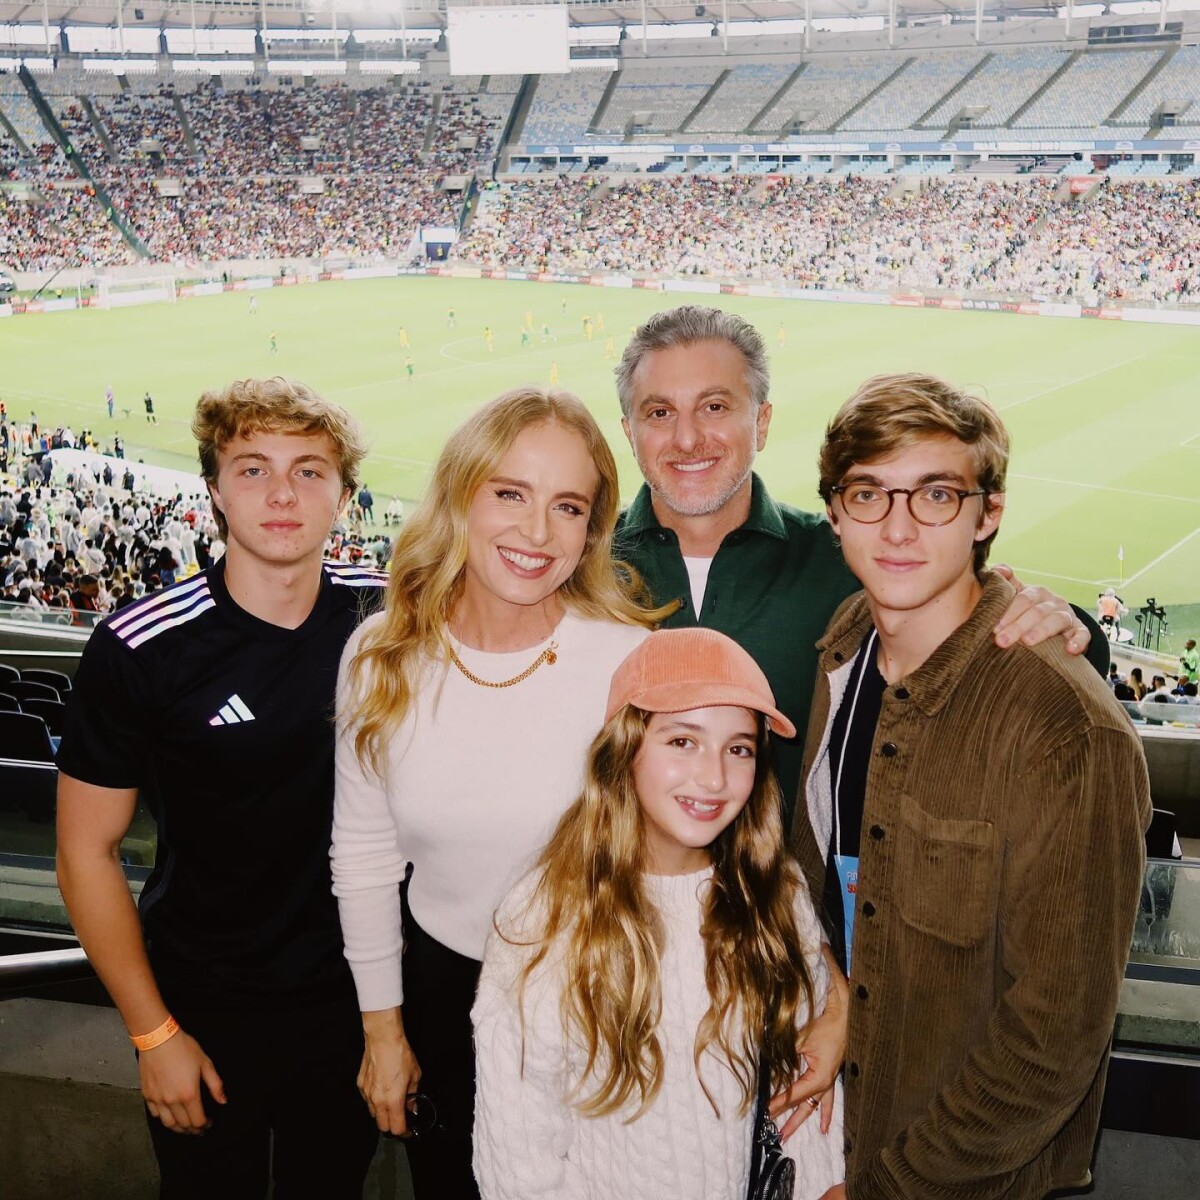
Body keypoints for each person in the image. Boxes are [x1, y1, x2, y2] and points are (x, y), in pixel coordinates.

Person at [611, 305, 1104, 1134]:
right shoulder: (577, 574)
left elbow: (967, 613)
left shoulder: (849, 558)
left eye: (717, 406)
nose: (688, 437)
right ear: (630, 430)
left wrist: (1062, 621)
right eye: (660, 411)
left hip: (807, 972)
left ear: (762, 421)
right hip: (626, 960)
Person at [790, 372, 1150, 1199]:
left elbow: (1056, 1033)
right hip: (837, 1131)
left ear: (988, 514)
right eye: (870, 494)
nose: (901, 528)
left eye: (937, 495)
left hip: (958, 1178)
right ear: (835, 512)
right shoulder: (842, 652)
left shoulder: (1064, 729)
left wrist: (896, 1186)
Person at [331, 387, 667, 1200]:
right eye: (510, 494)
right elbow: (366, 856)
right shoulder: (382, 655)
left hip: (600, 1002)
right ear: (460, 495)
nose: (536, 532)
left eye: (568, 506)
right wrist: (384, 1030)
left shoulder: (630, 664)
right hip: (442, 998)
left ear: (592, 529)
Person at [55, 378, 384, 1199]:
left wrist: (392, 1021)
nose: (282, 493)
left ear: (344, 494)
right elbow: (84, 851)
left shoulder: (384, 630)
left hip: (354, 1008)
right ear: (213, 489)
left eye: (310, 471)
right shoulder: (141, 647)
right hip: (202, 1005)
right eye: (252, 468)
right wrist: (152, 1032)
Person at [472, 627, 846, 1200]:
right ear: (625, 748)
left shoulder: (777, 893)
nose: (714, 777)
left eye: (739, 747)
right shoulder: (541, 921)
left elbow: (808, 1096)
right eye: (682, 741)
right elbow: (519, 1163)